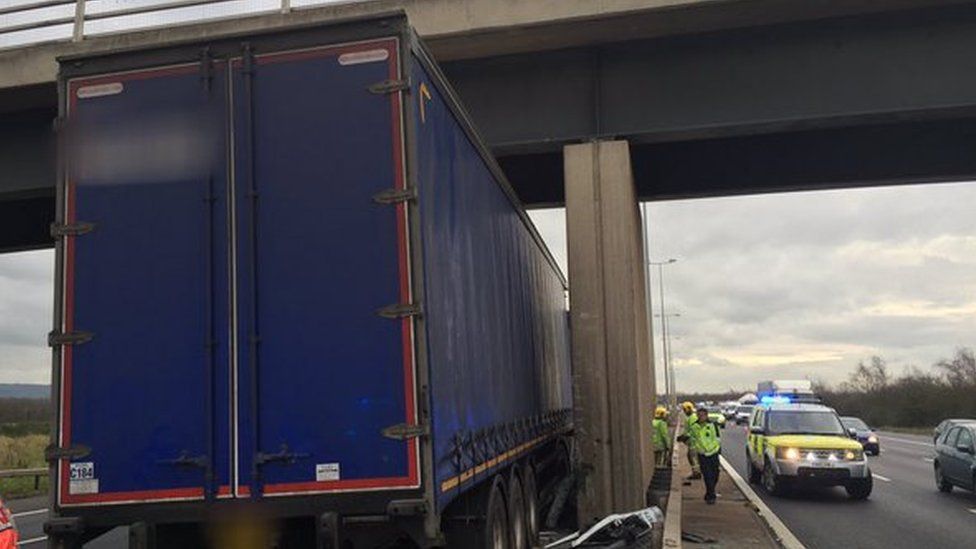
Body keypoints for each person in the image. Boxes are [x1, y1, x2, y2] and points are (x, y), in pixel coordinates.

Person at [692, 406, 722, 504]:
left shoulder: (713, 425)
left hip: (713, 453)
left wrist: (716, 449)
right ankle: (711, 496)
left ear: (706, 416)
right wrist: (697, 448)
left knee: (715, 474)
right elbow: (693, 439)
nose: (701, 417)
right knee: (707, 475)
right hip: (702, 455)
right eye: (699, 415)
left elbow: (717, 438)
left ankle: (709, 493)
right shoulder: (694, 427)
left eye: (703, 415)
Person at [679, 401, 701, 479]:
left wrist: (685, 436)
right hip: (691, 442)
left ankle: (696, 473)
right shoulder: (690, 418)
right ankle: (696, 471)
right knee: (691, 456)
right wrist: (683, 436)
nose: (684, 411)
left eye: (684, 410)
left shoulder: (692, 418)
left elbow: (693, 430)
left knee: (693, 457)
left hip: (694, 442)